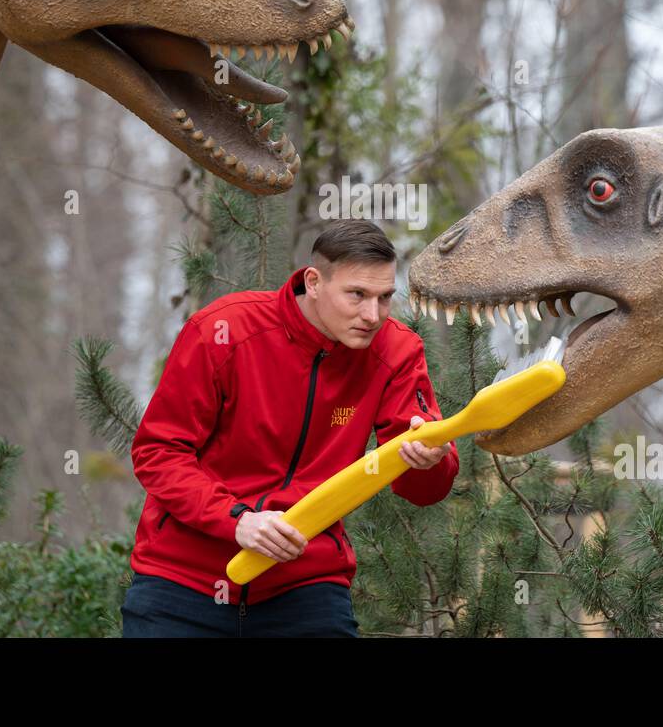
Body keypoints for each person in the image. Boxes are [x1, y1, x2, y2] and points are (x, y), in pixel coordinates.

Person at [122, 220, 460, 637]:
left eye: (385, 297)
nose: (372, 315)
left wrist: (428, 464)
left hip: (306, 585)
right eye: (357, 295)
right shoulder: (222, 332)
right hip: (182, 583)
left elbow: (425, 491)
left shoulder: (397, 350)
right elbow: (158, 453)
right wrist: (237, 520)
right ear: (314, 282)